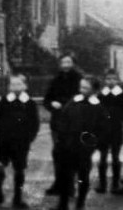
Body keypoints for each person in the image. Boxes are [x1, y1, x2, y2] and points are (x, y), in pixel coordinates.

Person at [53, 76, 108, 210]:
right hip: (67, 146)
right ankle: (63, 204)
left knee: (83, 176)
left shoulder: (98, 107)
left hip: (84, 149)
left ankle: (80, 204)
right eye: (81, 87)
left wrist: (92, 146)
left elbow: (101, 129)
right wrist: (61, 140)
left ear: (94, 90)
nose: (82, 90)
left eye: (85, 88)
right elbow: (63, 120)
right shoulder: (73, 102)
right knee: (65, 175)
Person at [0, 74, 39, 209]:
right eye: (12, 84)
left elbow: (34, 124)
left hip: (21, 143)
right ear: (9, 86)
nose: (15, 87)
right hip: (4, 141)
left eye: (18, 84)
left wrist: (28, 139)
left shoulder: (30, 103)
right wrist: (0, 136)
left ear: (25, 86)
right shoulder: (4, 101)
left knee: (19, 170)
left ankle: (17, 198)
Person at [43, 54, 83, 196]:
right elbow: (47, 99)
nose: (65, 65)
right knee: (58, 153)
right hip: (57, 122)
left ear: (73, 63)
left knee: (70, 153)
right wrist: (52, 104)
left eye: (68, 62)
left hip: (73, 122)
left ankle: (70, 186)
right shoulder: (56, 79)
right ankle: (58, 184)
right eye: (63, 62)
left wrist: (66, 105)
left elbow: (81, 98)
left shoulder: (79, 79)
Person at [95, 69, 123, 194]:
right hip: (103, 130)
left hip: (116, 129)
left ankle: (115, 184)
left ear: (117, 80)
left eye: (113, 79)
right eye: (108, 79)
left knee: (115, 157)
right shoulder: (101, 95)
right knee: (102, 157)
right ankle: (102, 184)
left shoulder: (122, 95)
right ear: (104, 80)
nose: (111, 81)